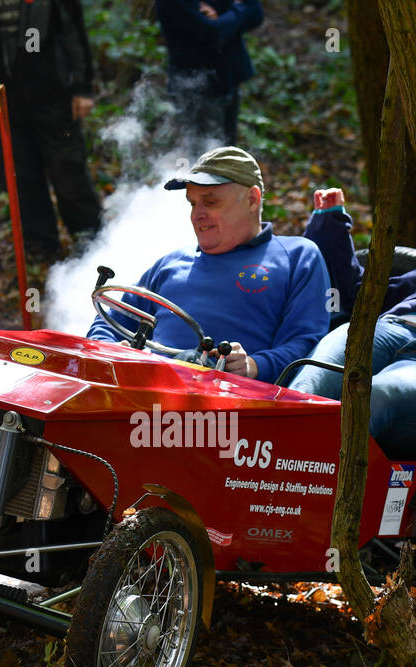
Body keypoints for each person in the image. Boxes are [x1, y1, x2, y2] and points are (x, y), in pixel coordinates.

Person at [86, 146, 329, 383]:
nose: (197, 214)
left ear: (252, 200)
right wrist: (108, 350)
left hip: (238, 407)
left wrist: (254, 366)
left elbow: (306, 343)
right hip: (147, 393)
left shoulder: (297, 256)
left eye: (210, 202)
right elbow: (109, 318)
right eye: (192, 203)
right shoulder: (171, 263)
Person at [287, 188, 416, 461]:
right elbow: (360, 294)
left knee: (375, 397)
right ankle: (260, 481)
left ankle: (309, 485)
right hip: (385, 327)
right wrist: (329, 221)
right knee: (305, 392)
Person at [0, 0, 103, 260]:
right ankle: (40, 246)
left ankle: (90, 241)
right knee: (19, 173)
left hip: (52, 89)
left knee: (67, 168)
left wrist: (82, 85)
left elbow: (72, 28)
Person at [155, 0, 264, 146]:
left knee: (226, 154)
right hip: (195, 89)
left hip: (228, 79)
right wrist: (236, 12)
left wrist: (228, 17)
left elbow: (256, 13)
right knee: (203, 157)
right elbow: (213, 33)